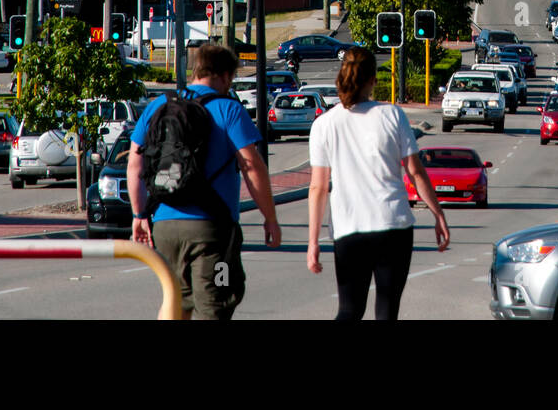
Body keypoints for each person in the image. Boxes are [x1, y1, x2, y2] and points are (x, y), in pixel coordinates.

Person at [126, 43, 281, 319]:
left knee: (175, 303)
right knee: (215, 304)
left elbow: (135, 163)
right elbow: (252, 166)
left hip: (164, 228)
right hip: (211, 234)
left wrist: (139, 215)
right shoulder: (228, 109)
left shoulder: (159, 106)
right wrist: (269, 217)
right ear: (223, 75)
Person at [306, 46, 449, 320]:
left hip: (349, 228)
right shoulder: (392, 115)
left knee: (349, 309)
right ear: (373, 79)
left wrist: (313, 242)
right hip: (393, 225)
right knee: (387, 308)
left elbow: (318, 187)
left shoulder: (324, 125)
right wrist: (438, 214)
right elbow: (415, 173)